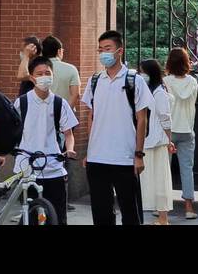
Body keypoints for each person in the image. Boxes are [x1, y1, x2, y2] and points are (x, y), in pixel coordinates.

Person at [81, 30, 153, 226]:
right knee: (101, 212)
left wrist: (138, 154)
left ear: (119, 51)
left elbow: (142, 119)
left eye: (108, 49)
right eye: (100, 49)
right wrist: (90, 150)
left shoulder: (134, 80)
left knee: (130, 212)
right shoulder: (95, 80)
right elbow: (91, 116)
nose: (103, 53)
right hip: (97, 158)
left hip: (125, 157)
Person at [13, 56, 78, 225]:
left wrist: (69, 149)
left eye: (47, 73)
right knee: (31, 216)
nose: (43, 76)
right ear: (32, 77)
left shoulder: (59, 103)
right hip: (27, 167)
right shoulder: (22, 103)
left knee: (57, 216)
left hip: (53, 165)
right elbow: (12, 132)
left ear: (53, 75)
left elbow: (69, 134)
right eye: (39, 73)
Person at [163, 46, 198, 219]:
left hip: (168, 130)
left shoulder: (166, 82)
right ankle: (189, 208)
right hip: (187, 129)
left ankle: (162, 207)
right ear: (186, 62)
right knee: (187, 169)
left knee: (164, 169)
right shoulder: (192, 82)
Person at [138, 58, 174, 224]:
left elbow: (165, 118)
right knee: (147, 181)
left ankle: (163, 219)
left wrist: (169, 139)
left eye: (142, 71)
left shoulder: (159, 92)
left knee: (160, 180)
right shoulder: (145, 90)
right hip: (146, 142)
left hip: (157, 142)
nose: (140, 74)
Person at [42, 35, 81, 106]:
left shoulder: (36, 70)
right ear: (59, 51)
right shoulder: (71, 69)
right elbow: (76, 94)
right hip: (64, 112)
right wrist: (66, 112)